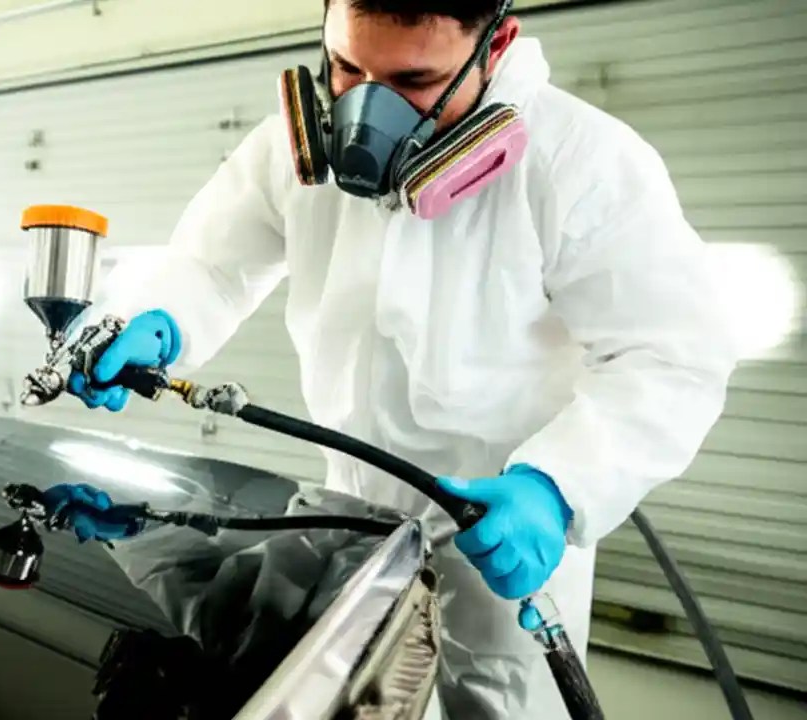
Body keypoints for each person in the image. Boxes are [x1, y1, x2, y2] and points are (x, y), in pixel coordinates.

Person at [62, 0, 738, 717]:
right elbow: (211, 264)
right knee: (292, 688)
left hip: (499, 527)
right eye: (347, 67)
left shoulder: (582, 160)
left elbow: (671, 358)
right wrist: (157, 317)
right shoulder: (293, 150)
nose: (364, 116)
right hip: (343, 509)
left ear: (496, 44)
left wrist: (556, 485)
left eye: (415, 81)